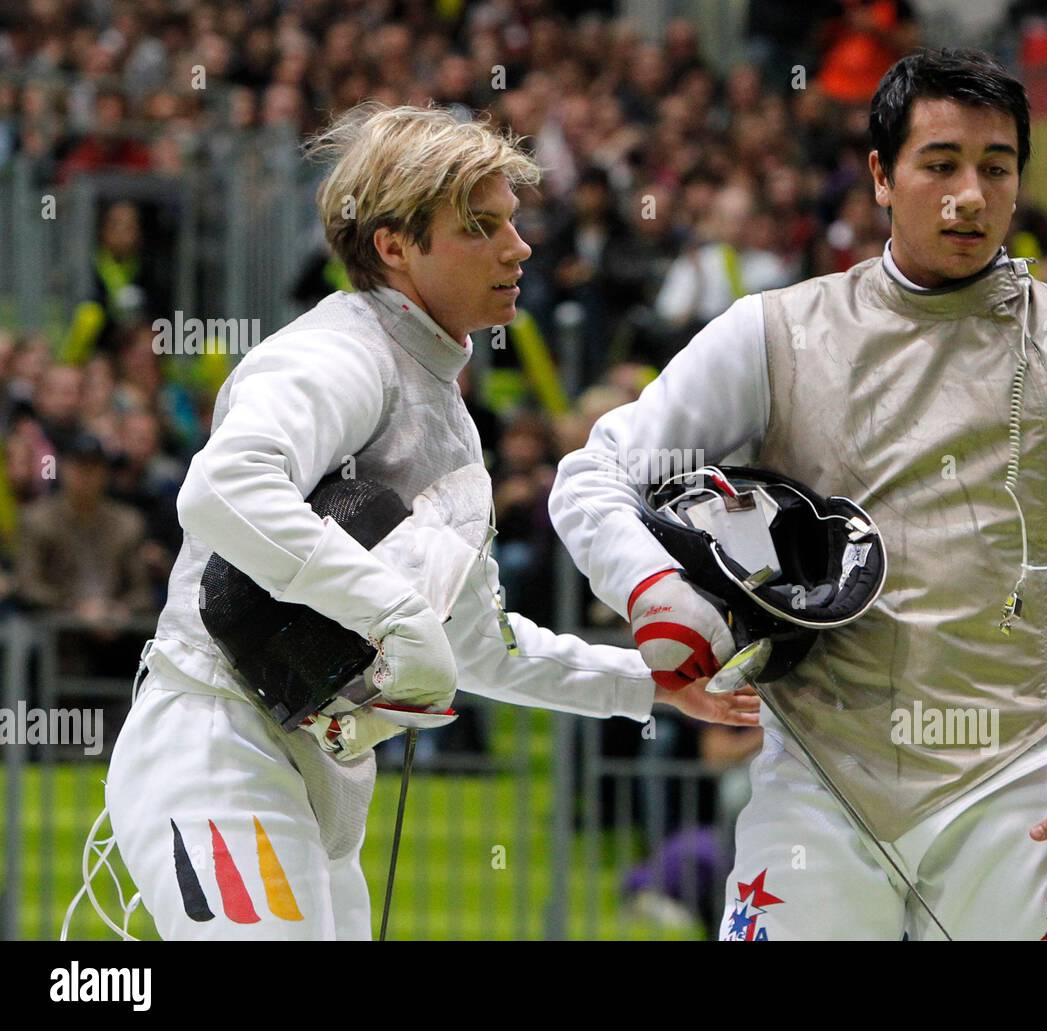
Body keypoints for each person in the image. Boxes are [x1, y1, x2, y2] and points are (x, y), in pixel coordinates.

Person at [548, 49, 1047, 940]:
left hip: (1011, 794)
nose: (970, 196)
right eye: (939, 164)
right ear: (880, 174)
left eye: (996, 168)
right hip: (817, 787)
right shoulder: (776, 334)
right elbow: (592, 475)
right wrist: (655, 591)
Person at [100, 104, 756, 942]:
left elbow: (478, 644)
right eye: (481, 227)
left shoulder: (448, 418)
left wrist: (646, 682)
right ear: (395, 246)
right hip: (216, 745)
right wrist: (398, 613)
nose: (518, 249)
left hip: (321, 772)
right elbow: (222, 488)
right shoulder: (338, 354)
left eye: (513, 224)